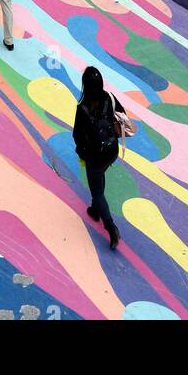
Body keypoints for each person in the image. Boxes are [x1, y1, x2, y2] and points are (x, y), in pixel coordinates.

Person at [73, 66, 129, 250]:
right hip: (111, 149)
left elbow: (77, 135)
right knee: (99, 178)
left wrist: (82, 152)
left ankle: (110, 227)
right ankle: (95, 210)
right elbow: (123, 117)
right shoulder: (109, 98)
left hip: (94, 155)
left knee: (97, 191)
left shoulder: (83, 108)